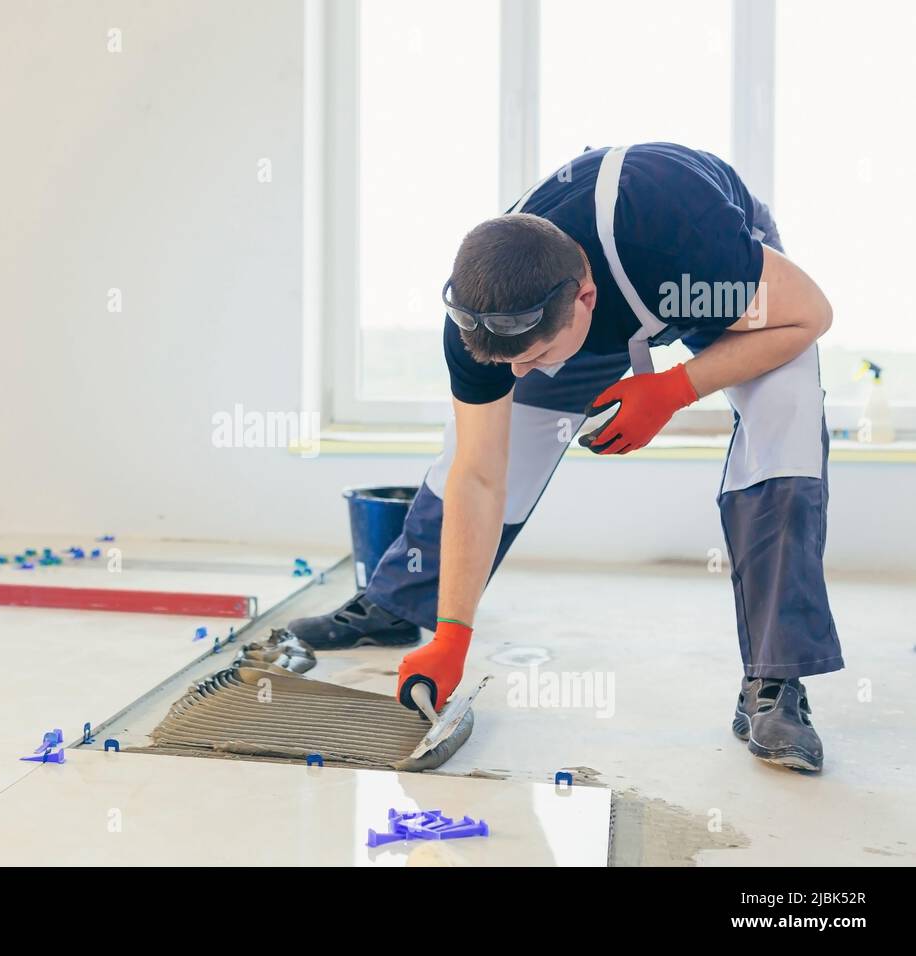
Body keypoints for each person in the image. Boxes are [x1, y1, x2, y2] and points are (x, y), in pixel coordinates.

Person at [289, 143, 840, 772]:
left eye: (534, 356)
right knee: (499, 451)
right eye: (510, 361)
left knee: (785, 422)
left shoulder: (686, 240)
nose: (520, 372)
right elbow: (478, 473)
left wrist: (674, 387)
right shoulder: (484, 321)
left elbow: (811, 315)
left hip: (686, 276)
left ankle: (776, 683)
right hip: (585, 296)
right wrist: (454, 635)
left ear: (583, 300)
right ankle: (401, 605)